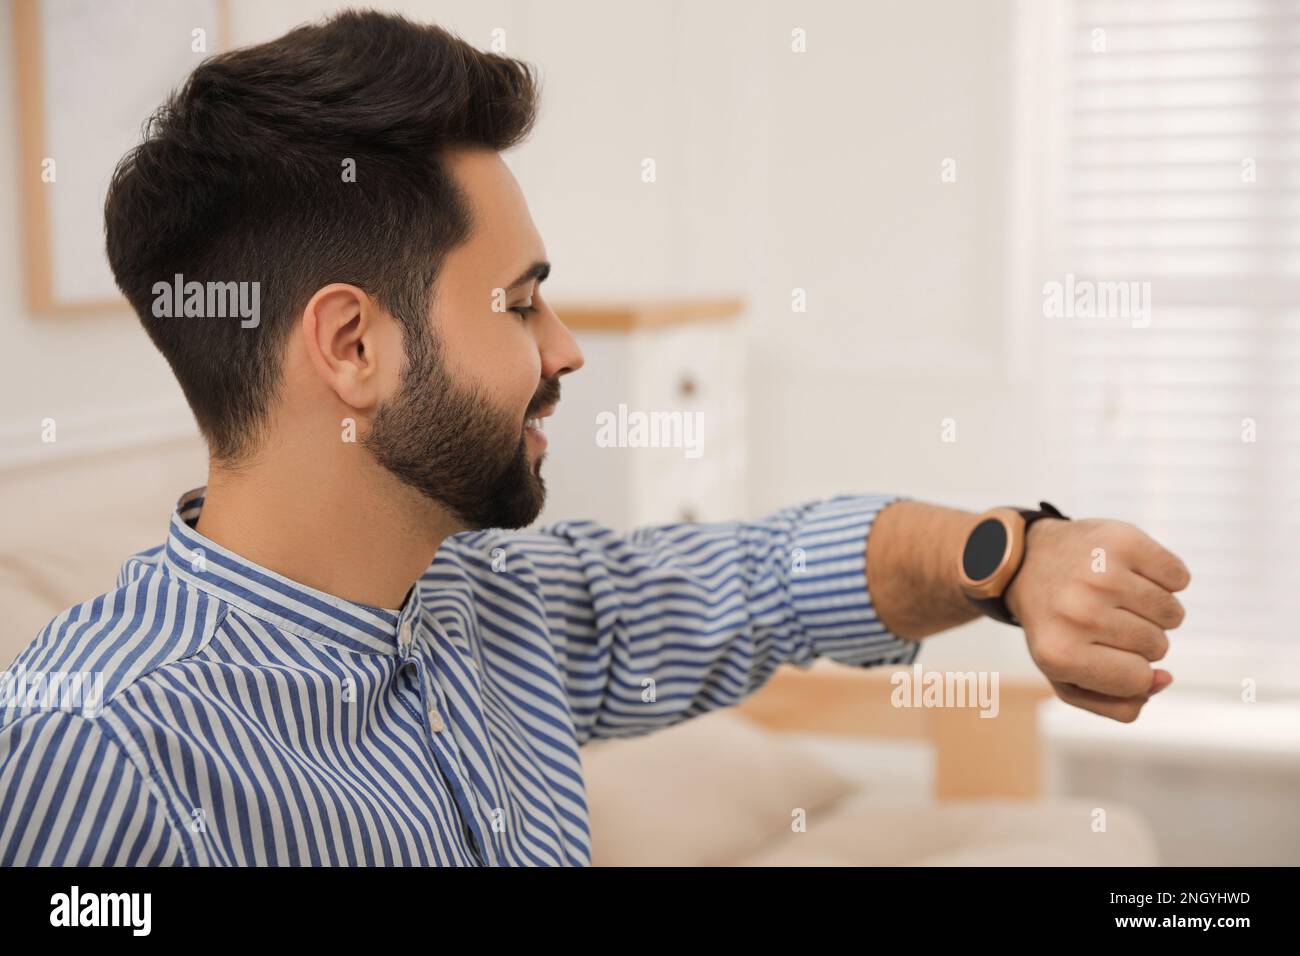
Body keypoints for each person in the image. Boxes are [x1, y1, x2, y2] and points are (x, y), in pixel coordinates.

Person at [0, 10, 1188, 866]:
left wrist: (1019, 554)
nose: (565, 349)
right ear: (353, 348)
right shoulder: (99, 745)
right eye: (520, 303)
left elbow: (769, 576)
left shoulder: (490, 600)